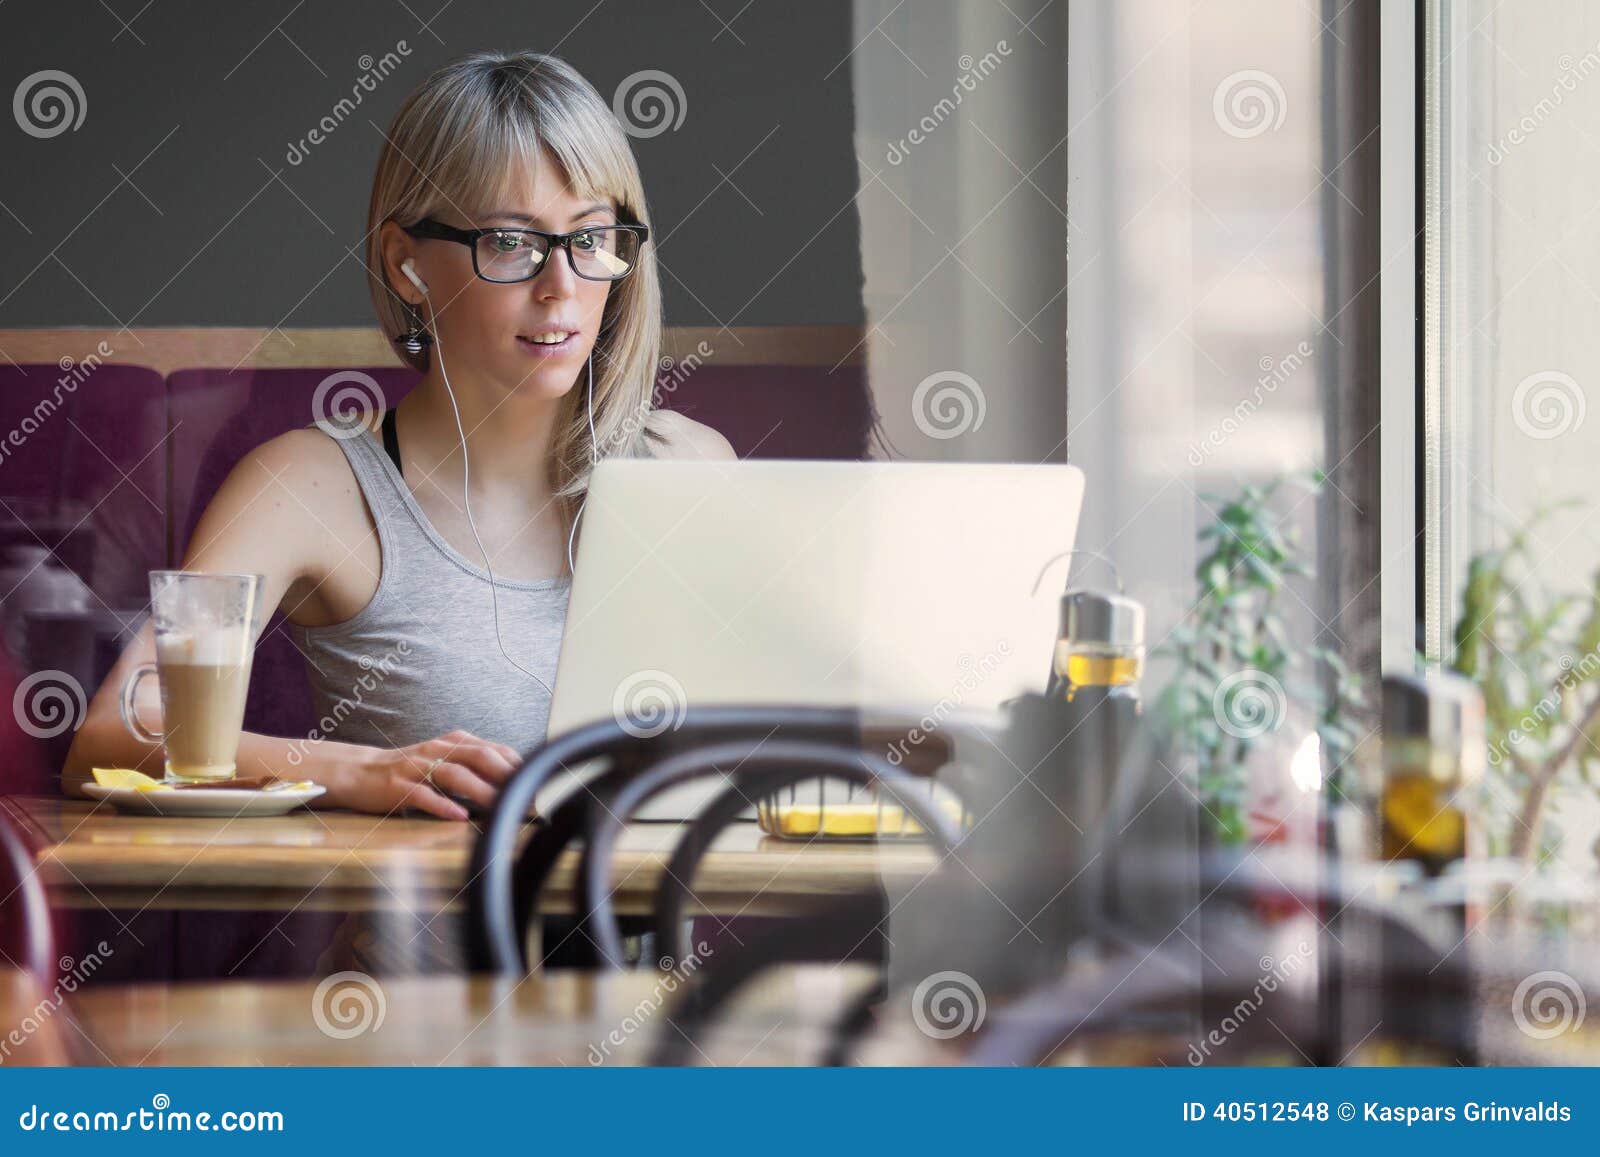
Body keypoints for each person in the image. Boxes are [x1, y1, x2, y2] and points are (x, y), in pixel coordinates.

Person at [64, 50, 734, 819]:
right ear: (406, 263)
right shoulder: (311, 486)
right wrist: (359, 771)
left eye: (590, 238)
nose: (562, 289)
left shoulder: (686, 468)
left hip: (648, 945)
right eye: (512, 242)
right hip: (417, 944)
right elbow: (113, 734)